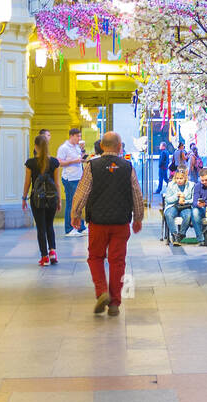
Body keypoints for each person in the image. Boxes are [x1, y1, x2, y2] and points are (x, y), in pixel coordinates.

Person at [71, 130, 144, 316]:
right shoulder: (128, 166)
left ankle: (102, 291)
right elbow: (136, 192)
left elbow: (82, 192)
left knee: (95, 257)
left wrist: (75, 213)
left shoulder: (92, 166)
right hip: (121, 222)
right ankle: (114, 303)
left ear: (101, 146)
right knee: (117, 260)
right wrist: (138, 218)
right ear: (120, 147)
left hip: (98, 221)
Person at [22, 134, 61, 266]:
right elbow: (57, 184)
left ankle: (44, 257)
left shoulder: (31, 163)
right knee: (50, 225)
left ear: (35, 146)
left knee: (41, 227)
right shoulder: (54, 162)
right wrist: (59, 200)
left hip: (37, 199)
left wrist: (24, 198)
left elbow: (27, 183)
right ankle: (52, 252)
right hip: (51, 198)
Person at [57, 127, 86, 236]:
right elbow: (59, 162)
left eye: (80, 136)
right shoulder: (64, 148)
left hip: (78, 177)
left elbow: (80, 158)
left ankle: (80, 227)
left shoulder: (77, 147)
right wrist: (74, 161)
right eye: (78, 136)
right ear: (72, 136)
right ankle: (69, 229)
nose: (79, 138)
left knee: (79, 203)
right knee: (71, 203)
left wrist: (83, 151)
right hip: (70, 179)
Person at [163, 166, 196, 245]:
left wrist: (184, 201)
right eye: (177, 178)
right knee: (169, 214)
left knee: (188, 215)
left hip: (185, 206)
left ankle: (181, 234)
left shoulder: (191, 185)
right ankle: (174, 235)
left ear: (185, 178)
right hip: (173, 205)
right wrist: (176, 196)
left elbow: (193, 199)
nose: (179, 180)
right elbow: (168, 200)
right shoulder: (171, 185)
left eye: (181, 178)